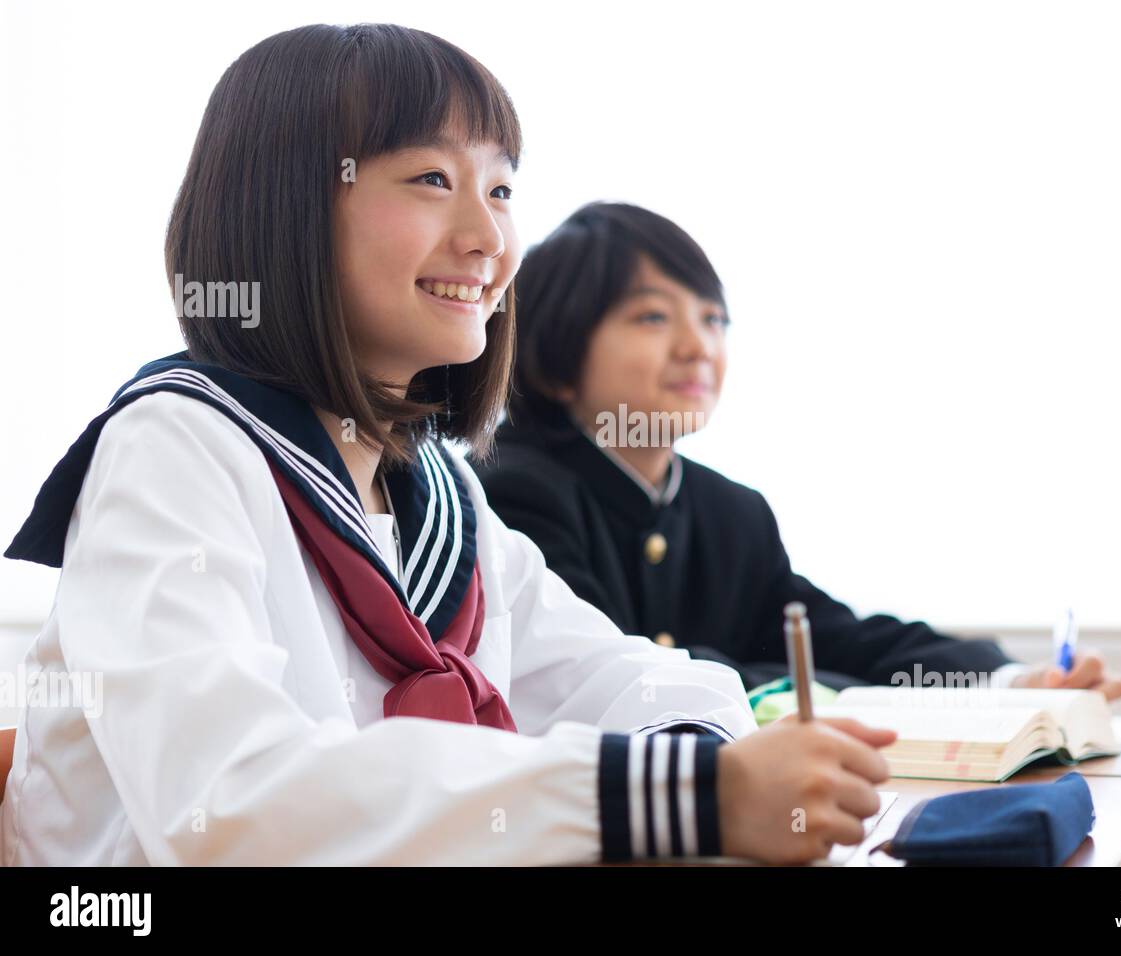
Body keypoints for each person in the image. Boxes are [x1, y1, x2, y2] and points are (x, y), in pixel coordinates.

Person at [0, 25, 896, 867]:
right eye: (432, 179)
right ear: (286, 207)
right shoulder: (175, 449)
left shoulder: (439, 489)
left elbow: (630, 679)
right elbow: (227, 805)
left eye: (501, 189)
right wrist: (681, 799)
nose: (489, 239)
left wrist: (704, 770)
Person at [474, 202, 1121, 699]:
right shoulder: (511, 488)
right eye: (653, 316)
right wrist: (824, 694)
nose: (698, 346)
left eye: (713, 319)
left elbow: (831, 637)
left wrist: (1006, 682)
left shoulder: (731, 510)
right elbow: (617, 677)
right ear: (555, 353)